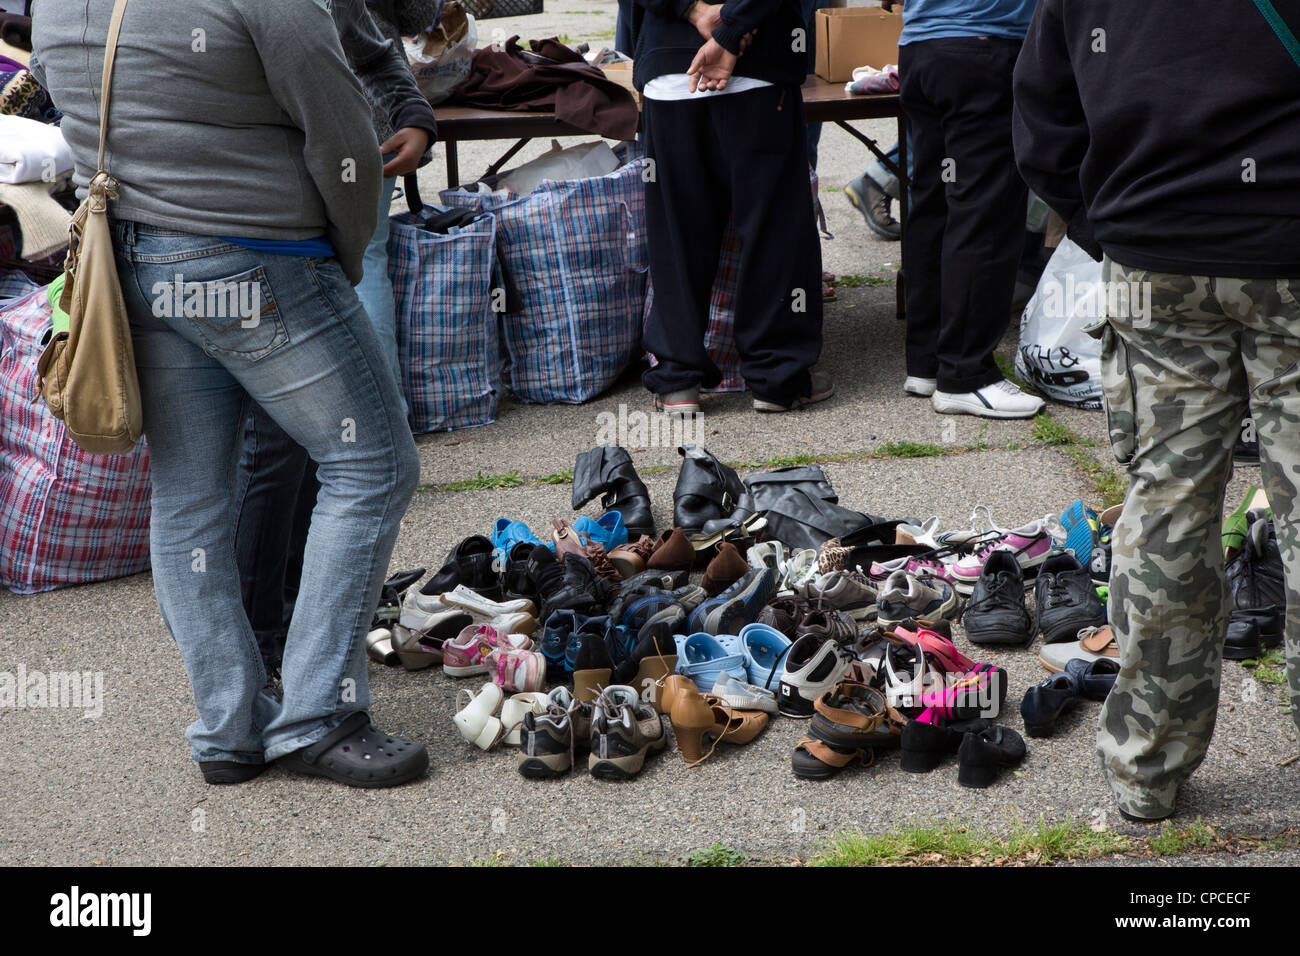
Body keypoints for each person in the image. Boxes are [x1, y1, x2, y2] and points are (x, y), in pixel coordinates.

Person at [32, 0, 425, 788]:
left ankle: (229, 729)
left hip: (135, 265)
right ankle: (319, 715)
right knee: (372, 464)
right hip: (254, 256)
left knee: (189, 499)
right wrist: (337, 264)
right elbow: (346, 141)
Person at [1013, 0, 1300, 820]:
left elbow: (1041, 119)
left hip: (1154, 253)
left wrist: (1118, 224)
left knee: (1168, 502)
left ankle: (1146, 768)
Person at [233, 0, 438, 680]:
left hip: (307, 219)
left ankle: (288, 633)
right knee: (255, 454)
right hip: (223, 235)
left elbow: (380, 41)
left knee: (319, 449)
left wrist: (413, 115)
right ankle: (259, 658)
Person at [634, 0, 833, 416]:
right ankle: (777, 376)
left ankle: (678, 379)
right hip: (760, 72)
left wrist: (693, 11)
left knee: (677, 235)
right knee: (773, 232)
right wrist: (731, 27)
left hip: (671, 68)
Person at [892, 0, 1044, 418]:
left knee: (934, 206)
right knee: (984, 213)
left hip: (922, 48)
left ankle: (927, 363)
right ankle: (965, 375)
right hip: (982, 46)